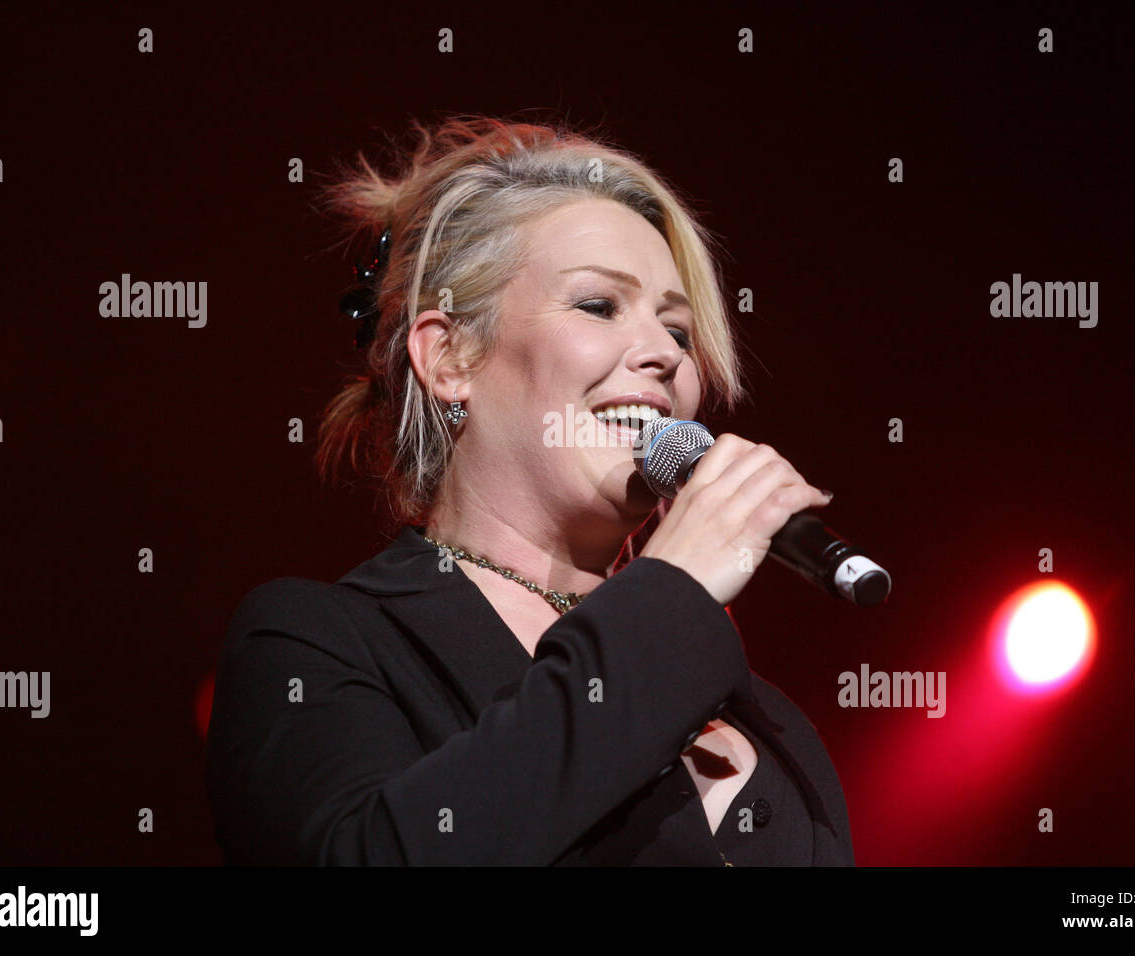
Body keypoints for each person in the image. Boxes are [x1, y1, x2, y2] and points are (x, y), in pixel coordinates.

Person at [204, 116, 854, 866]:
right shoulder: (318, 644)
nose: (664, 357)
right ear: (450, 358)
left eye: (678, 330)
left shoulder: (770, 725)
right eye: (599, 306)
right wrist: (667, 596)